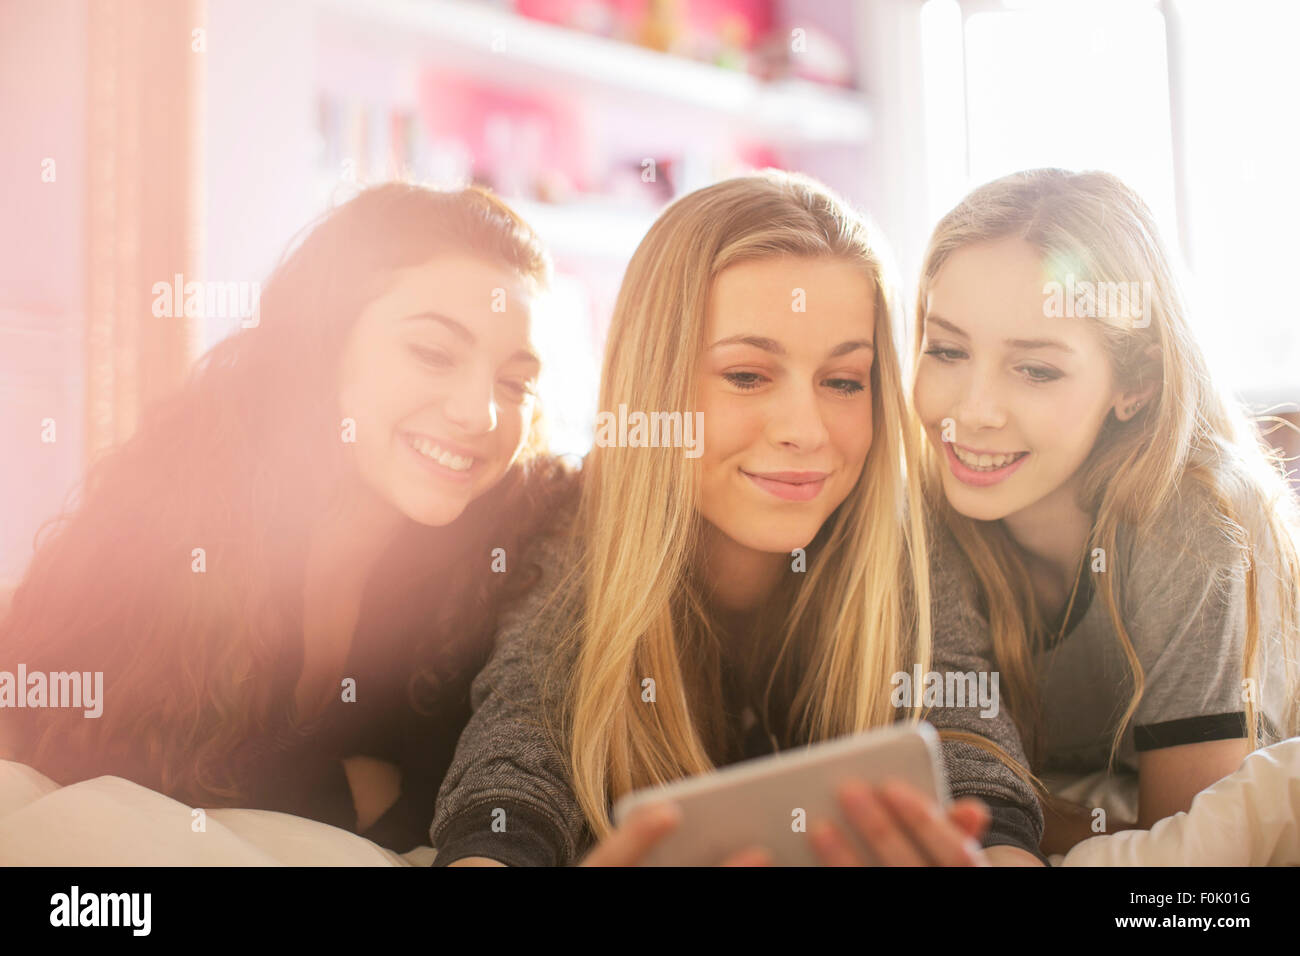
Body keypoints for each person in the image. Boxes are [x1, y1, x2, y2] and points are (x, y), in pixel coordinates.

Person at [431, 171, 1045, 866]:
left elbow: (970, 752)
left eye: (844, 382)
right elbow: (512, 773)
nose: (804, 430)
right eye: (747, 375)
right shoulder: (571, 531)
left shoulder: (904, 531)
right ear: (655, 383)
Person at [0, 183, 576, 852]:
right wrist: (343, 787)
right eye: (434, 353)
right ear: (325, 344)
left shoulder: (510, 536)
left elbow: (482, 763)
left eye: (514, 383)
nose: (479, 413)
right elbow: (88, 763)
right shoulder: (176, 519)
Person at [910, 168, 1300, 855]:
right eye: (946, 350)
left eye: (1035, 370)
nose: (971, 412)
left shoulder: (1191, 520)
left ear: (1138, 381)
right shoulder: (924, 519)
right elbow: (966, 773)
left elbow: (1180, 850)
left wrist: (1028, 815)